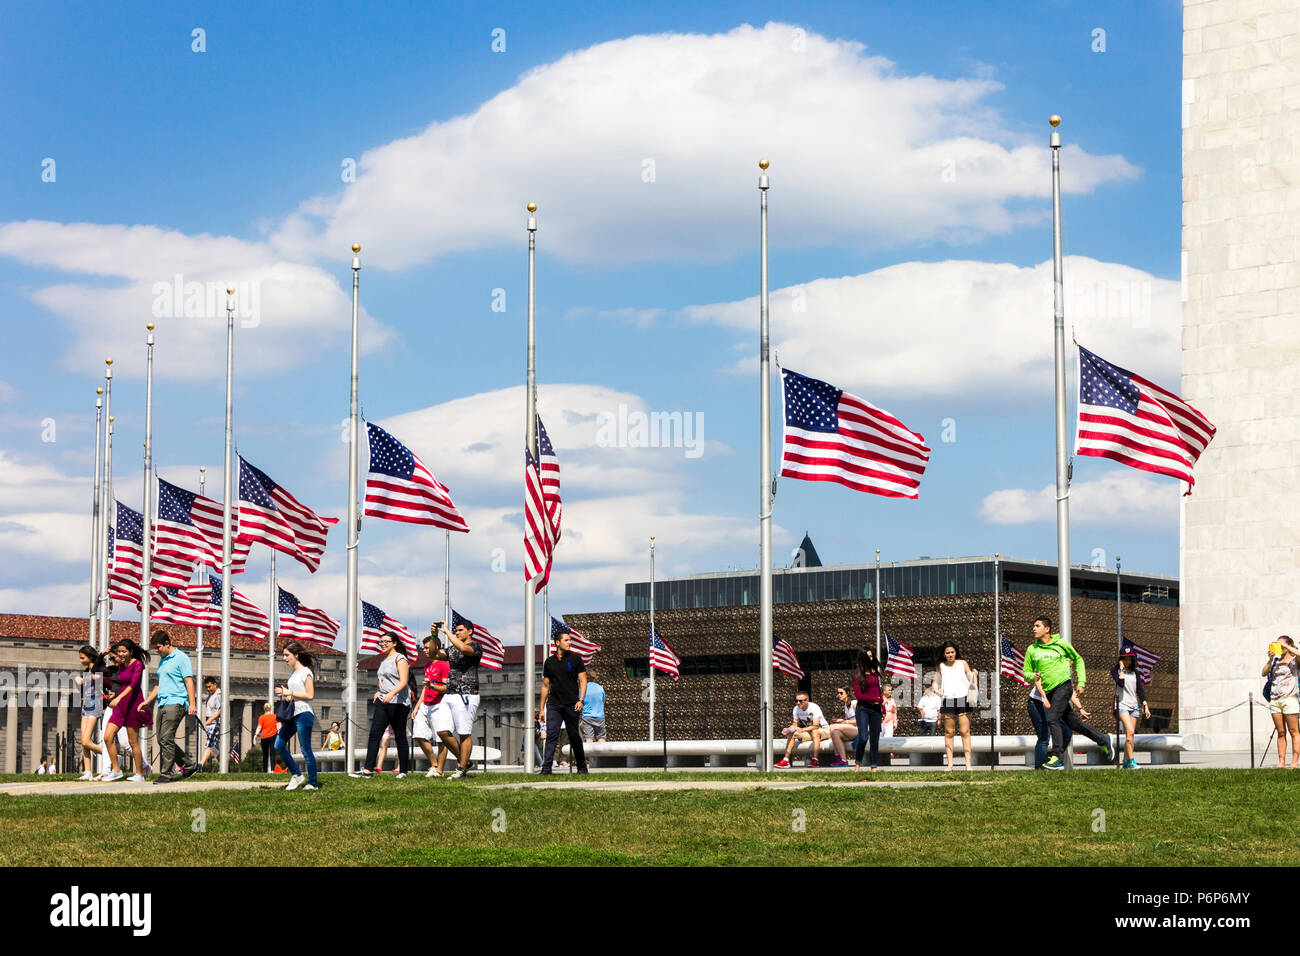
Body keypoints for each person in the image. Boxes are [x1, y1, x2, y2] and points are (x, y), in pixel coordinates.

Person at [1022, 616, 1113, 770]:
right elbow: (1026, 672)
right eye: (1034, 626)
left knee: (1052, 718)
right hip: (1050, 691)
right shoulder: (1032, 649)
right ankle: (1103, 739)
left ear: (1047, 629)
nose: (1034, 629)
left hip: (1064, 686)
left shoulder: (1061, 644)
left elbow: (1078, 660)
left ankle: (1057, 756)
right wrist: (1033, 676)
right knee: (1073, 723)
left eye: (1037, 626)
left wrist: (1081, 682)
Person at [137, 631, 199, 784]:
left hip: (176, 701)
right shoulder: (163, 660)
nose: (156, 651)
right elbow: (159, 684)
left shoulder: (181, 658)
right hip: (162, 703)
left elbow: (189, 681)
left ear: (167, 643)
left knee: (165, 738)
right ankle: (189, 766)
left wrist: (192, 704)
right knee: (161, 739)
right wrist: (148, 701)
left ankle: (167, 773)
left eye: (158, 647)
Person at [435, 618, 482, 779]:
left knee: (464, 733)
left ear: (470, 631)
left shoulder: (475, 646)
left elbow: (464, 648)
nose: (457, 632)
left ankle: (461, 769)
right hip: (450, 693)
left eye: (460, 630)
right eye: (456, 630)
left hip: (467, 694)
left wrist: (447, 633)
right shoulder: (452, 648)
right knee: (441, 731)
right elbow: (435, 654)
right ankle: (464, 761)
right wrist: (435, 636)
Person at [538, 629, 589, 774]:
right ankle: (546, 768)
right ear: (557, 643)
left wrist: (581, 700)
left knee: (574, 736)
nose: (569, 643)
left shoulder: (575, 659)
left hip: (572, 704)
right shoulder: (549, 662)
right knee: (551, 736)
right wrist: (541, 709)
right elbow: (545, 686)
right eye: (566, 640)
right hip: (554, 704)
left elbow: (583, 681)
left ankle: (582, 767)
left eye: (570, 640)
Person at [362, 632, 412, 778]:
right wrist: (379, 691)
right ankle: (368, 769)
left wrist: (391, 693)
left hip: (399, 703)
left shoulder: (400, 658)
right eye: (381, 642)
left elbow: (403, 681)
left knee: (400, 736)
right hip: (383, 701)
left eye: (386, 641)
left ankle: (403, 771)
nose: (383, 644)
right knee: (374, 734)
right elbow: (382, 679)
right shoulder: (384, 661)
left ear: (394, 643)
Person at [101, 639, 152, 782]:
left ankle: (140, 774)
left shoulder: (137, 664)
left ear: (131, 652)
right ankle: (116, 770)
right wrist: (115, 695)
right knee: (107, 737)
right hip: (121, 705)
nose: (121, 654)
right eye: (120, 652)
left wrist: (119, 698)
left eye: (124, 651)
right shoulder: (121, 665)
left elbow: (133, 685)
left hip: (133, 703)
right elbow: (117, 682)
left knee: (132, 742)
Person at [274, 640, 319, 791]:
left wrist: (290, 692)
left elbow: (310, 695)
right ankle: (297, 775)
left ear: (296, 655)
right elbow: (292, 695)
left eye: (287, 655)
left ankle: (313, 783)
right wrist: (285, 695)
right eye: (284, 655)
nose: (284, 658)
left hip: (304, 714)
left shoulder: (306, 672)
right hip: (292, 714)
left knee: (305, 749)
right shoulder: (292, 674)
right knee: (279, 745)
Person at [411, 633, 457, 779]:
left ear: (436, 647)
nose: (424, 650)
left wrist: (432, 685)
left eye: (427, 647)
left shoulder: (444, 664)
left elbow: (445, 686)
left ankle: (439, 770)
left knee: (441, 738)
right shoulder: (428, 665)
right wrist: (417, 705)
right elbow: (426, 688)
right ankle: (434, 764)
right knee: (418, 734)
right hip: (426, 703)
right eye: (424, 648)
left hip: (440, 703)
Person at [932, 642, 977, 771]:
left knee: (964, 732)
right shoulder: (941, 666)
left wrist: (974, 675)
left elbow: (970, 677)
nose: (950, 655)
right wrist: (937, 690)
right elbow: (935, 682)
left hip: (963, 698)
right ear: (944, 654)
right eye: (947, 653)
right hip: (948, 700)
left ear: (955, 652)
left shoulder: (962, 663)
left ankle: (968, 764)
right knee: (949, 732)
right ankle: (950, 764)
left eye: (952, 652)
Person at [1262, 635, 1300, 768]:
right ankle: (1281, 762)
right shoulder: (1276, 661)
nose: (1278, 646)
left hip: (1289, 698)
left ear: (1288, 645)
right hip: (1275, 700)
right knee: (1281, 732)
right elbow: (1263, 672)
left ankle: (1294, 762)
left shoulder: (1295, 660)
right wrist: (1270, 659)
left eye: (1280, 644)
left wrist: (1287, 647)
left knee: (1294, 731)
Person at [1112, 651, 1150, 769]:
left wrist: (1145, 704)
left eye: (1129, 659)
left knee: (1130, 736)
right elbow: (1121, 683)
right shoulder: (1115, 671)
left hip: (1134, 706)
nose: (1127, 661)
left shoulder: (1135, 673)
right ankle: (1132, 760)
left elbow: (1139, 689)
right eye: (1125, 659)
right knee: (1130, 732)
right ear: (1120, 659)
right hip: (1121, 705)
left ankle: (1126, 761)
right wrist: (1121, 670)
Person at [73, 644, 105, 781]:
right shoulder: (86, 671)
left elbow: (103, 681)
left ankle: (112, 756)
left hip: (95, 703)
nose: (81, 660)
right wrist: (78, 681)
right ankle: (88, 772)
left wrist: (90, 679)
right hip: (86, 704)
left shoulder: (98, 670)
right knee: (83, 741)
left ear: (90, 657)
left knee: (87, 741)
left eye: (82, 658)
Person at [1027, 677, 1073, 769]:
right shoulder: (1047, 665)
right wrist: (1045, 698)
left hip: (1051, 706)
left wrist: (1080, 708)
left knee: (1067, 733)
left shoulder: (1064, 673)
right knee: (1044, 737)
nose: (1071, 663)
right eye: (1071, 661)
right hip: (1037, 704)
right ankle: (1040, 768)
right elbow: (1037, 682)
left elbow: (1070, 692)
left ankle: (1051, 760)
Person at [851, 648, 884, 772]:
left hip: (876, 709)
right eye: (868, 656)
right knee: (864, 738)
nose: (871, 658)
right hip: (863, 709)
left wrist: (883, 707)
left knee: (875, 739)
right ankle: (858, 764)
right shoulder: (857, 674)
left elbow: (878, 692)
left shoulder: (875, 672)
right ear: (862, 658)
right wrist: (878, 700)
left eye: (871, 656)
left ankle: (874, 767)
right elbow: (859, 696)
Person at [776, 692, 827, 768]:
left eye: (800, 701)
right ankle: (786, 760)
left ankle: (815, 760)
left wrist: (802, 729)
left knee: (815, 732)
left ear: (807, 700)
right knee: (793, 734)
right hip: (809, 731)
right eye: (796, 701)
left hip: (823, 729)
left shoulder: (814, 707)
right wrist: (789, 729)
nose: (798, 703)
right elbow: (795, 724)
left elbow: (816, 726)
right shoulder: (796, 709)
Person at [828, 686, 858, 767]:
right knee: (835, 733)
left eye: (841, 693)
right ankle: (842, 760)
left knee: (832, 727)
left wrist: (845, 722)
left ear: (847, 693)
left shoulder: (854, 703)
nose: (839, 695)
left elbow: (860, 721)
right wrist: (841, 721)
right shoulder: (846, 705)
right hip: (851, 729)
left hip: (859, 729)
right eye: (838, 693)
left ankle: (837, 757)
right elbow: (847, 722)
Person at [198, 675, 222, 769]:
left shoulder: (218, 696)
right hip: (210, 725)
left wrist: (211, 720)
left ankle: (200, 765)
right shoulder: (210, 696)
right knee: (214, 748)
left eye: (209, 686)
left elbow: (221, 710)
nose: (208, 689)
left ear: (214, 684)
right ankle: (226, 766)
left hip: (215, 725)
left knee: (208, 744)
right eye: (206, 687)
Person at [581, 670, 607, 742]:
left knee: (589, 738)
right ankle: (602, 753)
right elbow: (603, 701)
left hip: (587, 717)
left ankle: (589, 753)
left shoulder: (582, 689)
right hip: (600, 717)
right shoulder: (600, 688)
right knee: (601, 738)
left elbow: (580, 702)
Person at [258, 704, 280, 772]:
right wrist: (279, 732)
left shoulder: (261, 717)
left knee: (265, 755)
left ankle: (265, 770)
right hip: (273, 736)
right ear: (271, 708)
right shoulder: (275, 716)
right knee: (272, 754)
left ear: (264, 708)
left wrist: (255, 735)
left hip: (264, 737)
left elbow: (259, 727)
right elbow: (278, 726)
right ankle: (272, 770)